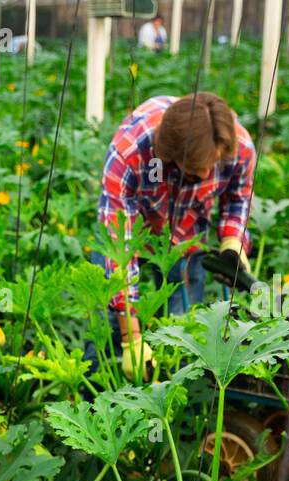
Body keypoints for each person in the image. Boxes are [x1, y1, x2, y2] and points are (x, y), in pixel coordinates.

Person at [93, 92, 255, 379]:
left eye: (212, 164)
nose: (206, 172)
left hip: (186, 236)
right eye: (195, 169)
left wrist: (233, 241)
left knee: (182, 333)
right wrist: (130, 336)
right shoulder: (130, 152)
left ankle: (172, 404)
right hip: (132, 230)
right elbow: (119, 247)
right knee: (107, 334)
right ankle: (92, 406)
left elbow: (238, 198)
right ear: (171, 156)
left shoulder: (238, 147)